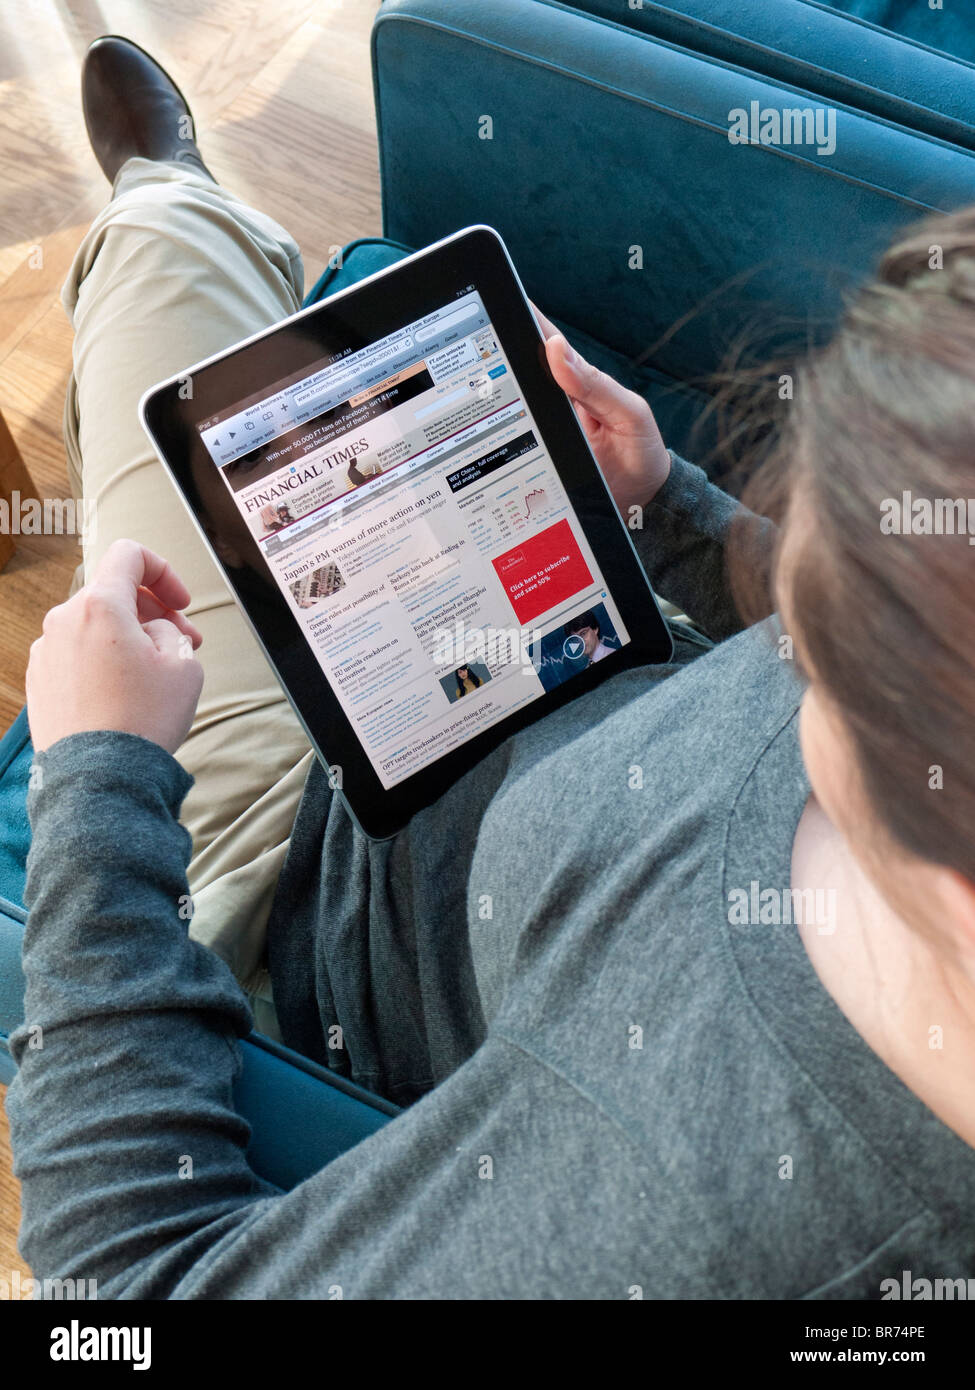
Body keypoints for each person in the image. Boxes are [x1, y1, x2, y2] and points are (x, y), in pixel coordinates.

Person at [6, 37, 975, 1299]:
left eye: (826, 644)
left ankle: (171, 203)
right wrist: (668, 508)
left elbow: (123, 1298)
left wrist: (99, 769)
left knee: (164, 270)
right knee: (314, 399)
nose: (785, 590)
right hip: (567, 660)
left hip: (310, 867)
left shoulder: (696, 1208)